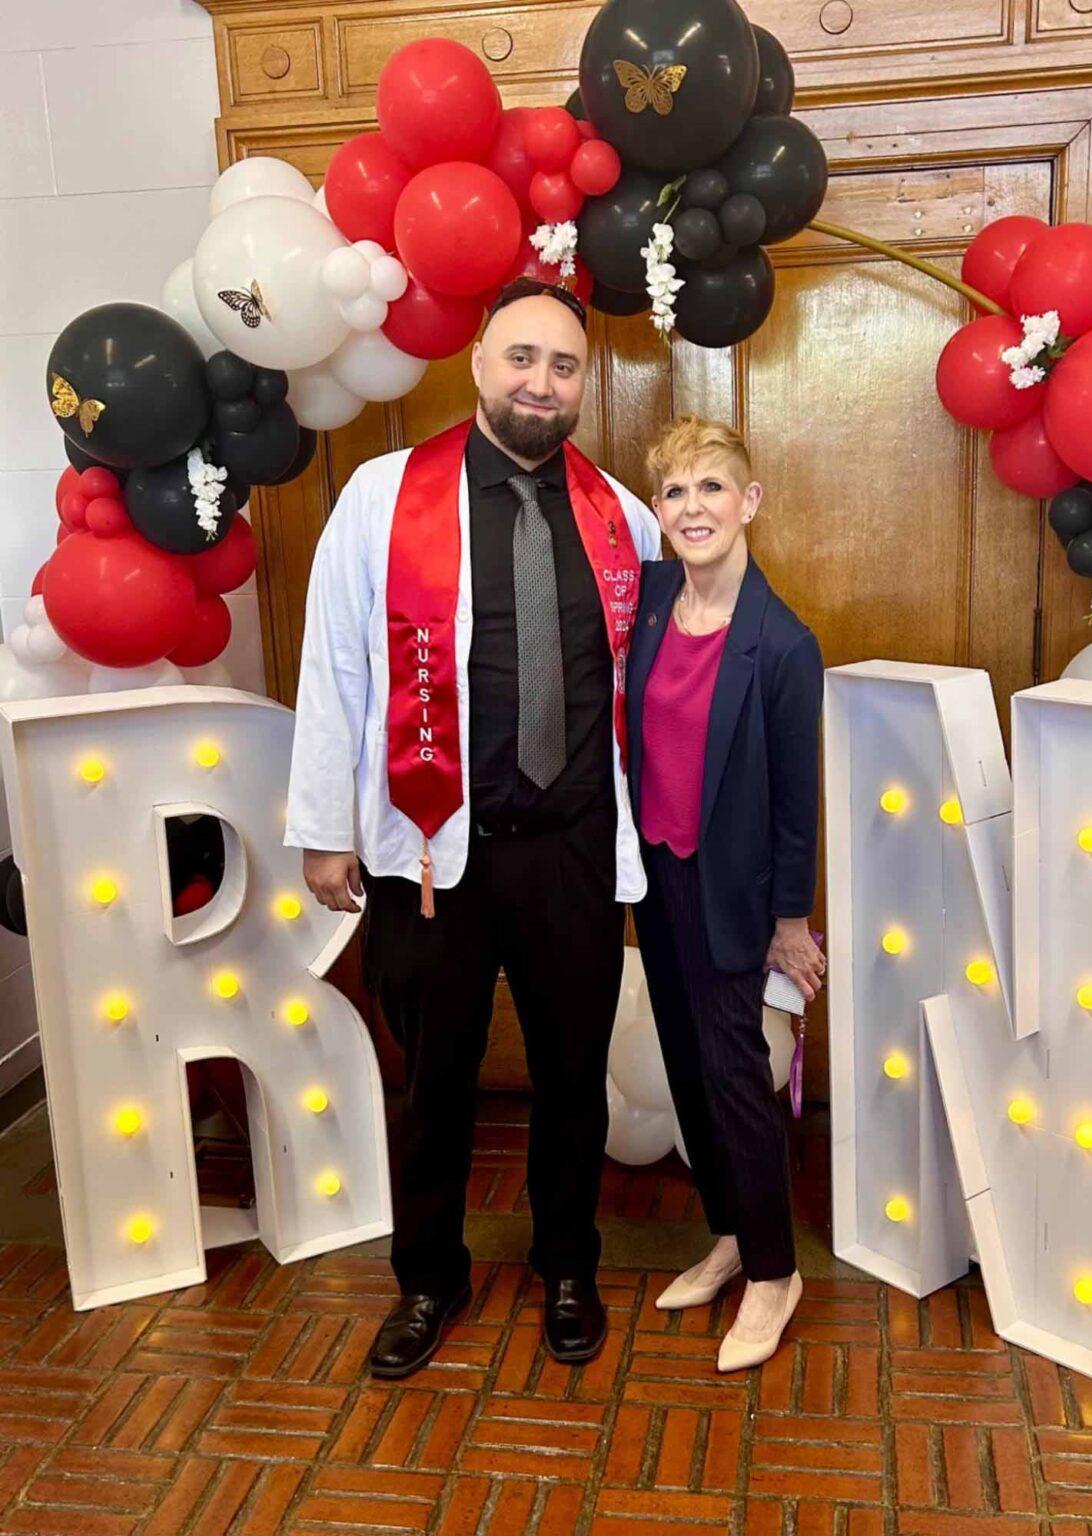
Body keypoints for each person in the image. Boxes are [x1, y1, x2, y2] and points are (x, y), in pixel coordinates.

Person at [285, 278, 659, 1379]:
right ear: (477, 364)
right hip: (427, 853)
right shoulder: (381, 496)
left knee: (570, 1075)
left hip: (572, 852)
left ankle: (569, 1263)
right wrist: (324, 828)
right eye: (519, 358)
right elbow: (336, 667)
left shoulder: (620, 516)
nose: (539, 382)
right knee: (433, 1080)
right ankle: (427, 1279)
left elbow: (647, 689)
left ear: (582, 383)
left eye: (562, 365)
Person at [626, 416, 824, 1373]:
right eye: (674, 492)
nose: (691, 507)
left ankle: (776, 1272)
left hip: (733, 889)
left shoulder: (783, 646)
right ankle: (730, 1233)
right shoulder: (654, 597)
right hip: (656, 876)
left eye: (711, 489)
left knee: (735, 1074)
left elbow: (796, 801)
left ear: (748, 503)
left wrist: (790, 921)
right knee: (686, 1065)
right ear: (657, 514)